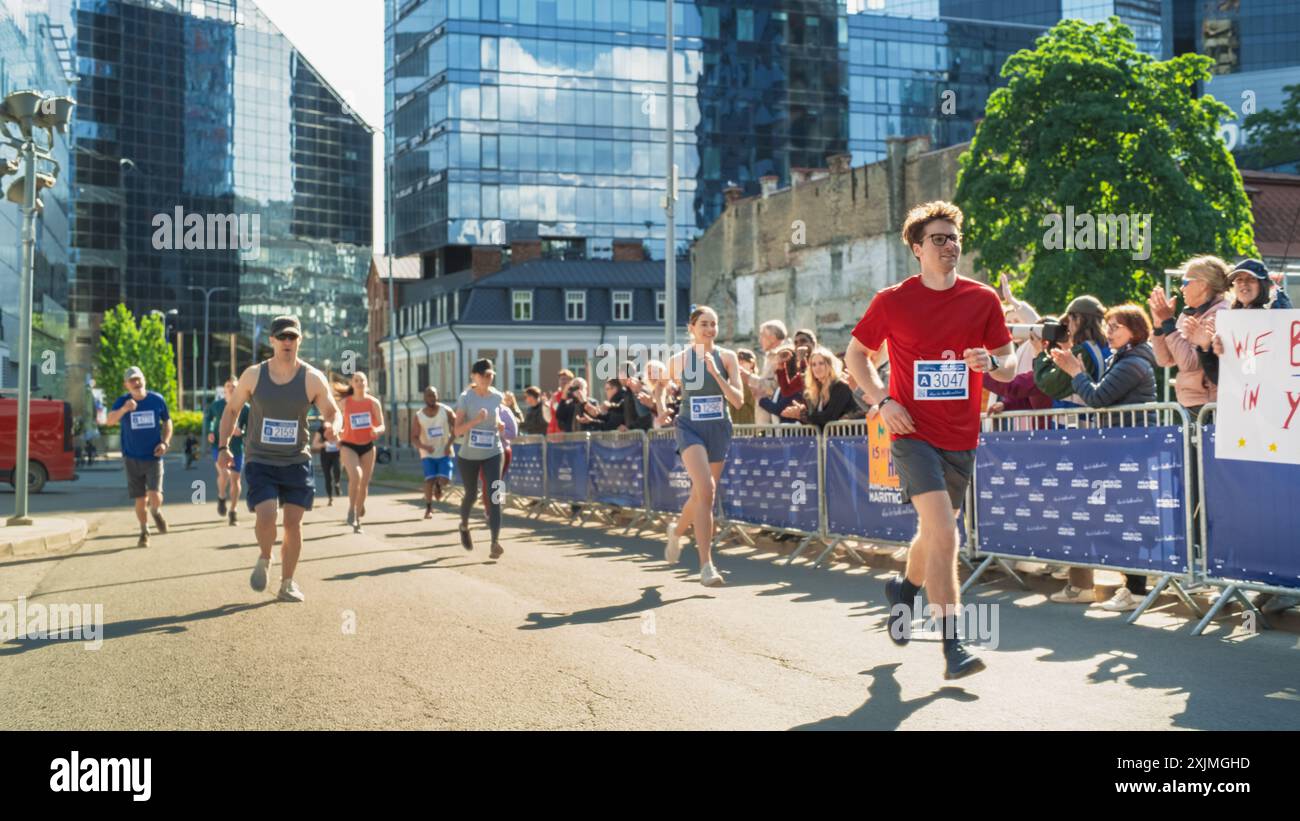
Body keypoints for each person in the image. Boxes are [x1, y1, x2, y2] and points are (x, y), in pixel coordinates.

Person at [844, 200, 1015, 680]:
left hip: (962, 435)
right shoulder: (892, 301)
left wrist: (991, 364)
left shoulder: (982, 299)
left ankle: (904, 591)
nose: (950, 245)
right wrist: (880, 400)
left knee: (934, 532)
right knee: (946, 532)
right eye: (939, 239)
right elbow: (856, 355)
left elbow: (1010, 363)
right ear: (917, 249)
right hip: (911, 431)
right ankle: (952, 644)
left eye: (955, 237)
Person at [218, 315, 340, 603]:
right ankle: (265, 556)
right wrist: (224, 446)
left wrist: (334, 426)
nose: (287, 342)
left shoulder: (312, 377)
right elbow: (232, 410)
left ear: (299, 340)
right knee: (267, 514)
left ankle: (287, 583)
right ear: (271, 340)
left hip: (296, 460)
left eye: (292, 337)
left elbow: (333, 411)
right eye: (282, 337)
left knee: (293, 524)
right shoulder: (253, 375)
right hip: (261, 458)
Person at [1048, 304, 1158, 610]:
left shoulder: (1133, 363)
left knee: (1131, 516)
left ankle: (1136, 590)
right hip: (1122, 448)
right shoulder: (1123, 358)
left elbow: (1097, 398)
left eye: (1116, 327)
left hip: (1130, 449)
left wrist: (1076, 372)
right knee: (1126, 516)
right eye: (1108, 326)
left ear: (1134, 331)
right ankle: (1133, 588)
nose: (1109, 332)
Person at [661, 306, 746, 587]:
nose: (709, 329)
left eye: (714, 324)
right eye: (704, 324)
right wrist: (662, 407)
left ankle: (677, 530)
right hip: (690, 427)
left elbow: (738, 401)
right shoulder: (680, 360)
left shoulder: (728, 358)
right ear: (692, 328)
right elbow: (659, 384)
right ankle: (706, 565)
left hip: (719, 428)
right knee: (706, 488)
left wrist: (716, 373)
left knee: (701, 495)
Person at [1148, 255, 1230, 418]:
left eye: (1185, 282)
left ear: (1202, 285)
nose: (1181, 288)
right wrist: (1159, 327)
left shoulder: (1219, 314)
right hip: (1190, 404)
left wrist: (1168, 324)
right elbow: (1164, 360)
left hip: (1208, 406)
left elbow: (1189, 363)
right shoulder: (1189, 314)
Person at [105, 366, 173, 548]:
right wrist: (124, 410)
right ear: (126, 384)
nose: (136, 382)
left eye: (138, 378)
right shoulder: (122, 401)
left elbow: (167, 422)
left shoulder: (156, 399)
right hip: (131, 457)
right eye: (131, 380)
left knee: (155, 496)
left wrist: (165, 442)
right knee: (140, 499)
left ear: (144, 379)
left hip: (153, 456)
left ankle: (156, 511)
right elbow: (109, 420)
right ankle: (144, 531)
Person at [453, 358, 507, 558]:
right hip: (469, 455)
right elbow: (457, 430)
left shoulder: (497, 396)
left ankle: (495, 542)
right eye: (484, 375)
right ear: (474, 376)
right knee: (471, 494)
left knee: (495, 494)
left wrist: (500, 424)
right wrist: (476, 421)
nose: (488, 378)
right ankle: (464, 526)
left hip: (493, 450)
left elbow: (497, 416)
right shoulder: (466, 398)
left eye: (490, 375)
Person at [1031, 296, 1109, 408]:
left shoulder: (1083, 352)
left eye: (1069, 321)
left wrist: (1040, 354)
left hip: (1076, 422)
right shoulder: (1105, 346)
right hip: (1093, 420)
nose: (1068, 329)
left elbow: (1049, 384)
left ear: (1078, 319)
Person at [334, 371, 385, 533]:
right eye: (356, 380)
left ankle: (358, 511)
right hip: (348, 444)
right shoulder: (345, 403)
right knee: (356, 476)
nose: (360, 383)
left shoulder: (373, 402)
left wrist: (377, 430)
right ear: (352, 384)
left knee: (364, 484)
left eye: (362, 380)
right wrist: (337, 434)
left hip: (367, 446)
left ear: (366, 383)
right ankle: (352, 510)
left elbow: (383, 425)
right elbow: (335, 420)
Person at [781, 346, 855, 430]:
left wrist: (802, 414)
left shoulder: (841, 385)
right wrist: (799, 413)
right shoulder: (817, 389)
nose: (817, 368)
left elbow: (829, 416)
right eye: (813, 365)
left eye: (821, 363)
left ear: (830, 365)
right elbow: (817, 422)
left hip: (848, 438)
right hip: (828, 439)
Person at [412, 386, 456, 517]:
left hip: (444, 451)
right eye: (428, 396)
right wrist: (424, 447)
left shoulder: (446, 411)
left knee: (445, 479)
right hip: (428, 453)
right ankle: (429, 508)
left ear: (438, 396)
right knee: (428, 480)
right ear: (424, 398)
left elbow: (457, 426)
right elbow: (413, 437)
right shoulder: (419, 416)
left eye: (434, 395)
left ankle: (439, 484)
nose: (431, 398)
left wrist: (449, 443)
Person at [203, 378, 237, 518]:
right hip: (219, 445)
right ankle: (222, 496)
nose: (230, 388)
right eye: (228, 386)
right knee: (225, 473)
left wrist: (243, 432)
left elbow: (251, 424)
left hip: (237, 447)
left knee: (236, 480)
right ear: (224, 389)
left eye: (233, 386)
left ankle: (233, 511)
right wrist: (210, 431)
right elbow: (208, 419)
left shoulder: (244, 406)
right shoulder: (216, 405)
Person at [747, 320, 787, 425]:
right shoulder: (769, 357)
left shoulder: (782, 356)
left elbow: (776, 387)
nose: (760, 340)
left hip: (774, 421)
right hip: (765, 419)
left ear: (773, 337)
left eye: (762, 335)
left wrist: (748, 378)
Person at [311, 423, 342, 506]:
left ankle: (337, 483)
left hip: (336, 454)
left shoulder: (338, 426)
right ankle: (330, 498)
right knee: (327, 477)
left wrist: (338, 441)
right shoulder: (321, 429)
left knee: (337, 469)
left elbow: (344, 441)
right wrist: (323, 444)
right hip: (325, 456)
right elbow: (314, 445)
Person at [732, 348, 758, 424]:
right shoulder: (733, 381)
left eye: (742, 362)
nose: (739, 366)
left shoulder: (756, 382)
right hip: (735, 426)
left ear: (751, 364)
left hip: (750, 426)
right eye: (737, 363)